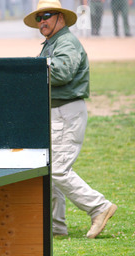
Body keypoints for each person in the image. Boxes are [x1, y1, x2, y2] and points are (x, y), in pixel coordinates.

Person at [23, 0, 117, 238]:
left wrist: (33, 67)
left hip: (66, 112)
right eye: (38, 17)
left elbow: (62, 73)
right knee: (50, 169)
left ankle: (99, 207)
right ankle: (56, 227)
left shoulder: (66, 42)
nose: (42, 21)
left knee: (58, 170)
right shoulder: (52, 43)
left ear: (60, 18)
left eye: (47, 15)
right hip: (58, 112)